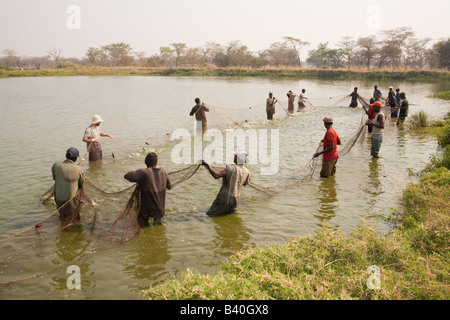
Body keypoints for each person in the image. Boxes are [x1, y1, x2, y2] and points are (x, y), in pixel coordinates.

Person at [124, 152, 172, 226]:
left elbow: (127, 176)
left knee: (142, 226)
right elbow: (169, 186)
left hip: (146, 210)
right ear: (156, 162)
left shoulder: (143, 172)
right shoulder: (163, 172)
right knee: (158, 230)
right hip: (160, 211)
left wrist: (139, 172)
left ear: (146, 162)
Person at [201, 151, 250, 216]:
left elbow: (216, 175)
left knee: (209, 215)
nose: (234, 157)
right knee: (227, 216)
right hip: (235, 201)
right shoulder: (247, 172)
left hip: (224, 199)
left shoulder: (230, 168)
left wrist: (206, 165)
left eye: (235, 156)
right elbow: (245, 183)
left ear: (238, 159)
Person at [51, 147, 85, 219]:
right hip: (71, 202)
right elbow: (81, 185)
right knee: (74, 219)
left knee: (63, 217)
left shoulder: (56, 166)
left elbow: (54, 178)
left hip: (58, 200)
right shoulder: (79, 169)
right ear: (76, 158)